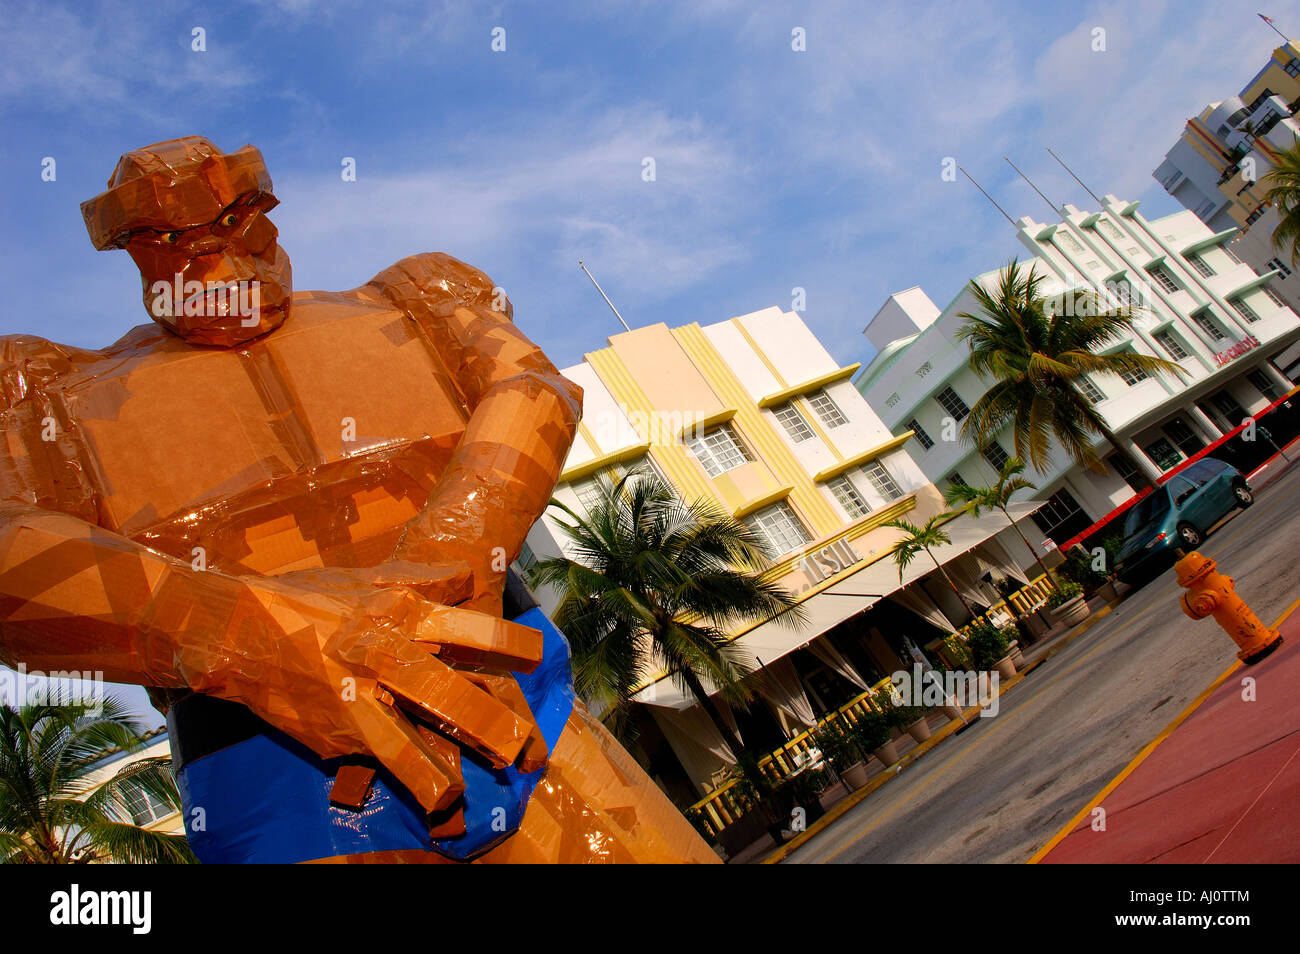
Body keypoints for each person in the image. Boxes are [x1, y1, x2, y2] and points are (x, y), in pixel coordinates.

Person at [0, 136, 716, 863]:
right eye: (167, 240)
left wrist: (444, 558)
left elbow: (533, 388)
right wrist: (255, 638)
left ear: (262, 208)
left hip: (511, 707)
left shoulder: (413, 300)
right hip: (275, 778)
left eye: (231, 220)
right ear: (131, 249)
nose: (210, 259)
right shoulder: (46, 395)